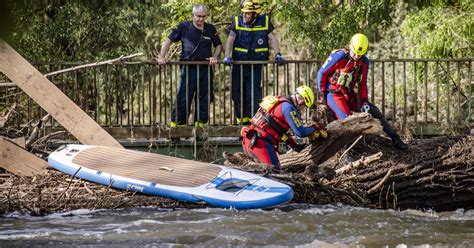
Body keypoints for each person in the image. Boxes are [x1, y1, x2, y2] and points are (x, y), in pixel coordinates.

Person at [317, 33, 408, 150]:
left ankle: (396, 139)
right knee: (348, 121)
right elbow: (321, 73)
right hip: (334, 94)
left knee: (374, 111)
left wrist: (364, 100)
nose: (356, 56)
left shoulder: (364, 62)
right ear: (350, 46)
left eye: (360, 54)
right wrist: (322, 95)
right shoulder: (339, 56)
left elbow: (362, 83)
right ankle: (349, 152)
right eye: (354, 52)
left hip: (349, 93)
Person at [157, 4, 222, 127]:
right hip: (189, 68)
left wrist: (215, 56)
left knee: (204, 99)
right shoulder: (184, 27)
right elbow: (168, 40)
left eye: (203, 17)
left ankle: (201, 131)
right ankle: (177, 129)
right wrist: (161, 56)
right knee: (183, 98)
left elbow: (218, 45)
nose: (201, 19)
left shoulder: (210, 29)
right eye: (198, 16)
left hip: (205, 69)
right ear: (193, 15)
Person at [223, 0, 285, 125]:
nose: (245, 16)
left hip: (255, 66)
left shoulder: (264, 21)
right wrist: (226, 56)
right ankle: (241, 123)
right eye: (244, 13)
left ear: (254, 14)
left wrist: (278, 54)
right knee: (237, 94)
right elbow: (230, 39)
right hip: (239, 65)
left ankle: (252, 123)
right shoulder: (237, 21)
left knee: (252, 95)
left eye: (248, 14)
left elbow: (271, 38)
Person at [240, 85, 328, 172]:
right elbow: (301, 132)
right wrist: (315, 127)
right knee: (274, 174)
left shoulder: (279, 101)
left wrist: (294, 145)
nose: (302, 109)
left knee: (255, 175)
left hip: (249, 140)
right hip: (261, 144)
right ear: (301, 101)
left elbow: (276, 130)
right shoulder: (288, 108)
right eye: (304, 106)